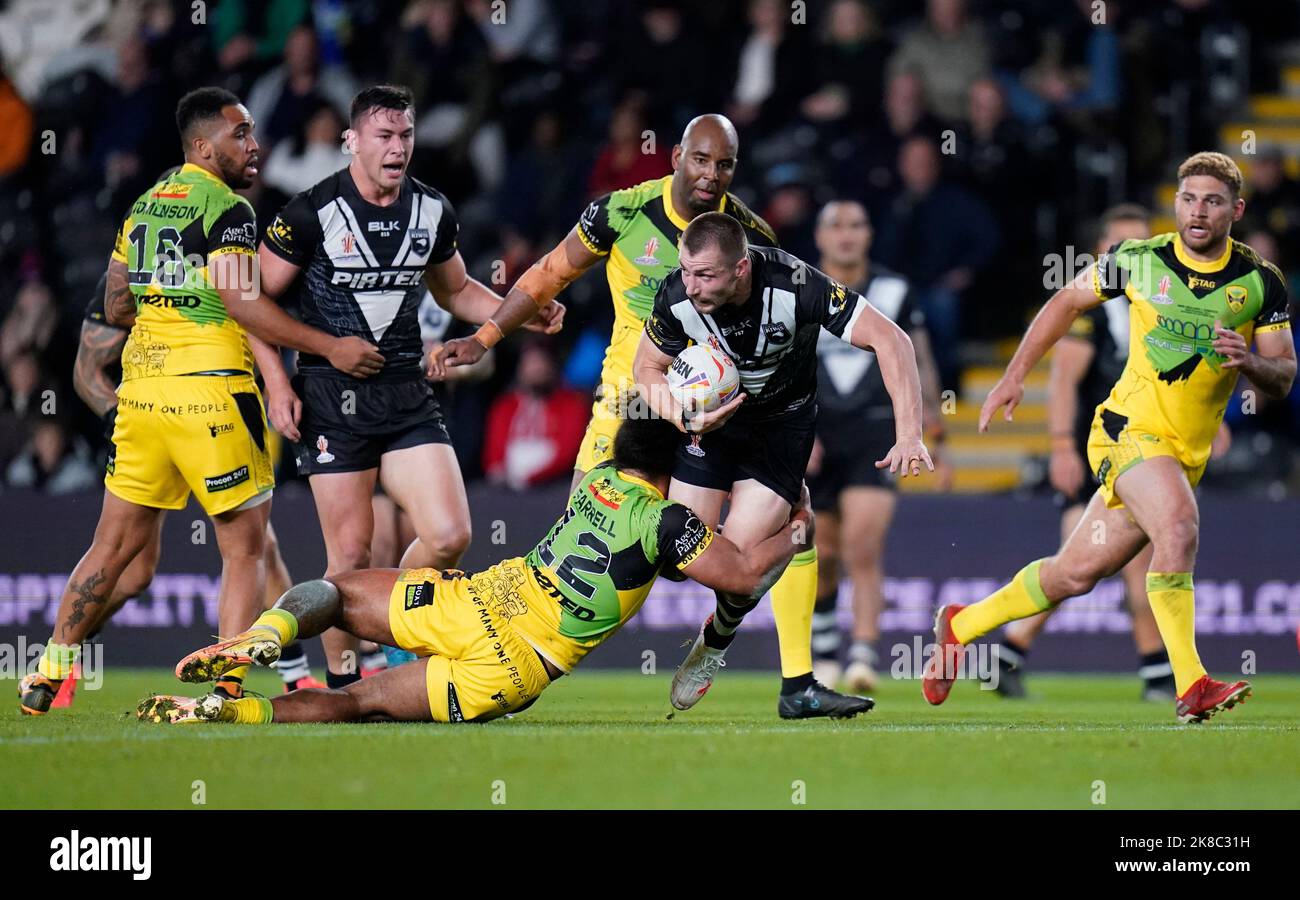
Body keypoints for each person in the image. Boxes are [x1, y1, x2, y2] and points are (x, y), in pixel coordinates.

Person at [434, 114, 869, 718]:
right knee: (591, 547)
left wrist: (792, 420)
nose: (709, 176)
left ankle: (795, 681)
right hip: (632, 400)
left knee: (791, 513)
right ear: (675, 157)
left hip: (719, 406)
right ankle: (504, 661)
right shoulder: (619, 212)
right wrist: (484, 338)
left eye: (722, 166)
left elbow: (786, 325)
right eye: (699, 160)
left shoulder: (748, 235)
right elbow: (548, 274)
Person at [18, 87, 377, 714]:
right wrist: (329, 346)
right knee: (244, 550)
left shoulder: (143, 208)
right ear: (205, 146)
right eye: (241, 135)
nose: (254, 145)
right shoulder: (230, 211)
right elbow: (244, 306)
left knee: (109, 548)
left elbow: (117, 304)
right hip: (210, 392)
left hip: (143, 396)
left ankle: (48, 672)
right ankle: (225, 690)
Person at [137, 413, 818, 725]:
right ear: (672, 472)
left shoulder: (596, 483)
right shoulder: (669, 522)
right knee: (358, 703)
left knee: (341, 589)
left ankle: (267, 635)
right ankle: (227, 715)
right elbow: (737, 574)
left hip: (481, 599)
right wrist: (792, 535)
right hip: (512, 666)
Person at [926, 152, 1295, 723]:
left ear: (1237, 209)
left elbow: (1284, 374)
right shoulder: (1137, 260)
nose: (1199, 211)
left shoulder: (1261, 282)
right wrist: (1014, 375)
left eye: (1213, 201)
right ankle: (1191, 684)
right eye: (1189, 198)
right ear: (1175, 204)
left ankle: (961, 624)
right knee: (1177, 525)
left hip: (1184, 451)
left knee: (1074, 573)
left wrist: (1249, 362)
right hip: (1126, 431)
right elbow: (1065, 301)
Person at [253, 84, 563, 692]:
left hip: (406, 394)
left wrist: (514, 310)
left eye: (407, 136)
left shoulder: (432, 210)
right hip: (330, 397)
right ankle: (343, 684)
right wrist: (279, 382)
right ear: (352, 141)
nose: (398, 148)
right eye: (384, 136)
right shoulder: (309, 211)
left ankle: (386, 625)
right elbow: (250, 301)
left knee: (450, 535)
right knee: (348, 558)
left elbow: (455, 291)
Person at [634, 212, 932, 718]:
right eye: (685, 270)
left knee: (747, 559)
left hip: (780, 429)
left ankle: (719, 639)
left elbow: (893, 339)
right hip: (710, 425)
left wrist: (910, 434)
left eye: (704, 275)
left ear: (741, 268)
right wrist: (682, 413)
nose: (691, 284)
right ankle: (745, 622)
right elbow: (646, 367)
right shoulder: (675, 295)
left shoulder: (797, 285)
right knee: (679, 557)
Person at [990, 204, 1204, 702]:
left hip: (1153, 445)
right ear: (1098, 255)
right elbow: (1064, 381)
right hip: (1105, 449)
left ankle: (1008, 652)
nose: (1130, 254)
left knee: (1080, 566)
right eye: (1118, 247)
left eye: (1139, 243)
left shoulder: (1163, 307)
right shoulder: (1096, 312)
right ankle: (1156, 672)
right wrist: (1061, 446)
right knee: (1109, 562)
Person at [805, 201, 946, 692]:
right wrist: (793, 430)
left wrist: (931, 428)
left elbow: (919, 358)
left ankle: (863, 655)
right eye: (836, 226)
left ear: (869, 234)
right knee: (820, 551)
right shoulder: (798, 286)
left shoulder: (895, 290)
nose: (847, 235)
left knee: (863, 546)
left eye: (857, 225)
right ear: (819, 237)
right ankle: (824, 653)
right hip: (814, 433)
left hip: (875, 428)